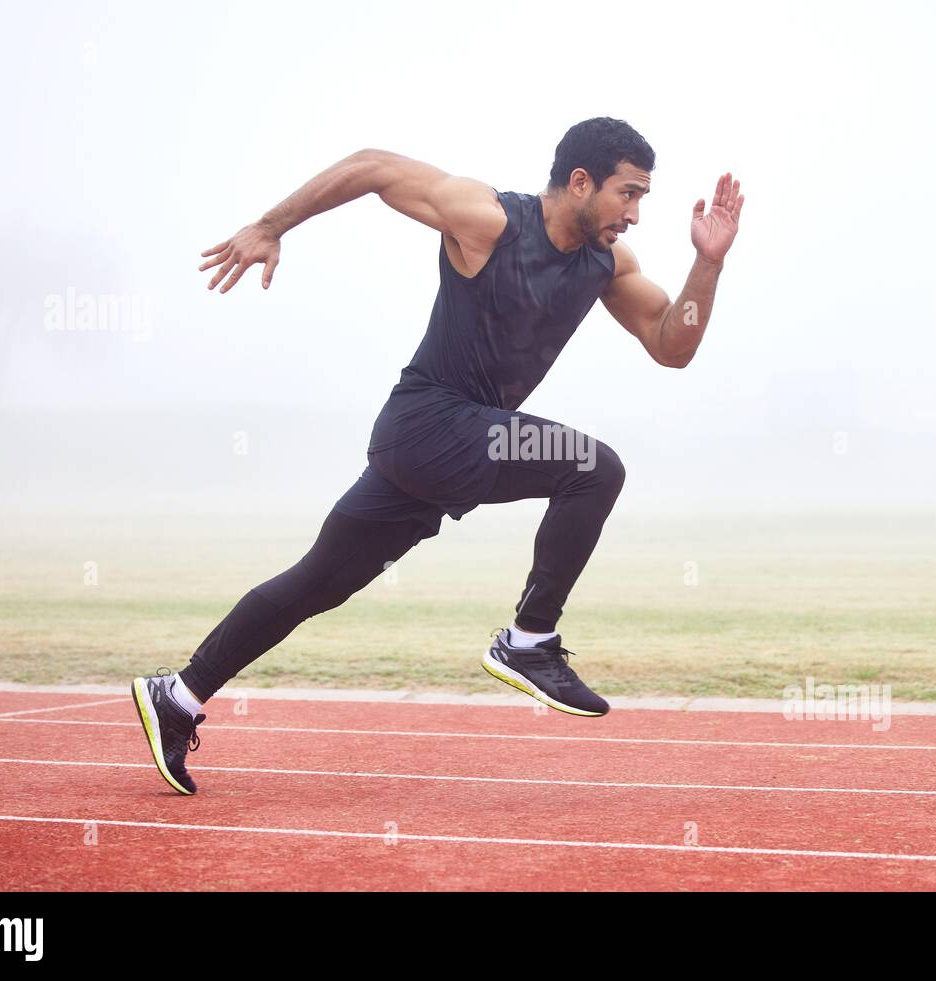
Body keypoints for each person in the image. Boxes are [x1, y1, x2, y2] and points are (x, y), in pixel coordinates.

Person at [131, 117, 743, 794]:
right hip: (429, 422)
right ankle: (529, 638)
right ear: (580, 182)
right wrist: (272, 225)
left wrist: (708, 262)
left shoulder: (605, 266)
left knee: (317, 582)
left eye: (642, 199)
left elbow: (671, 344)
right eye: (627, 194)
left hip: (444, 445)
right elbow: (372, 165)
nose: (633, 214)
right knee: (593, 466)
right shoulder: (488, 221)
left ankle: (178, 694)